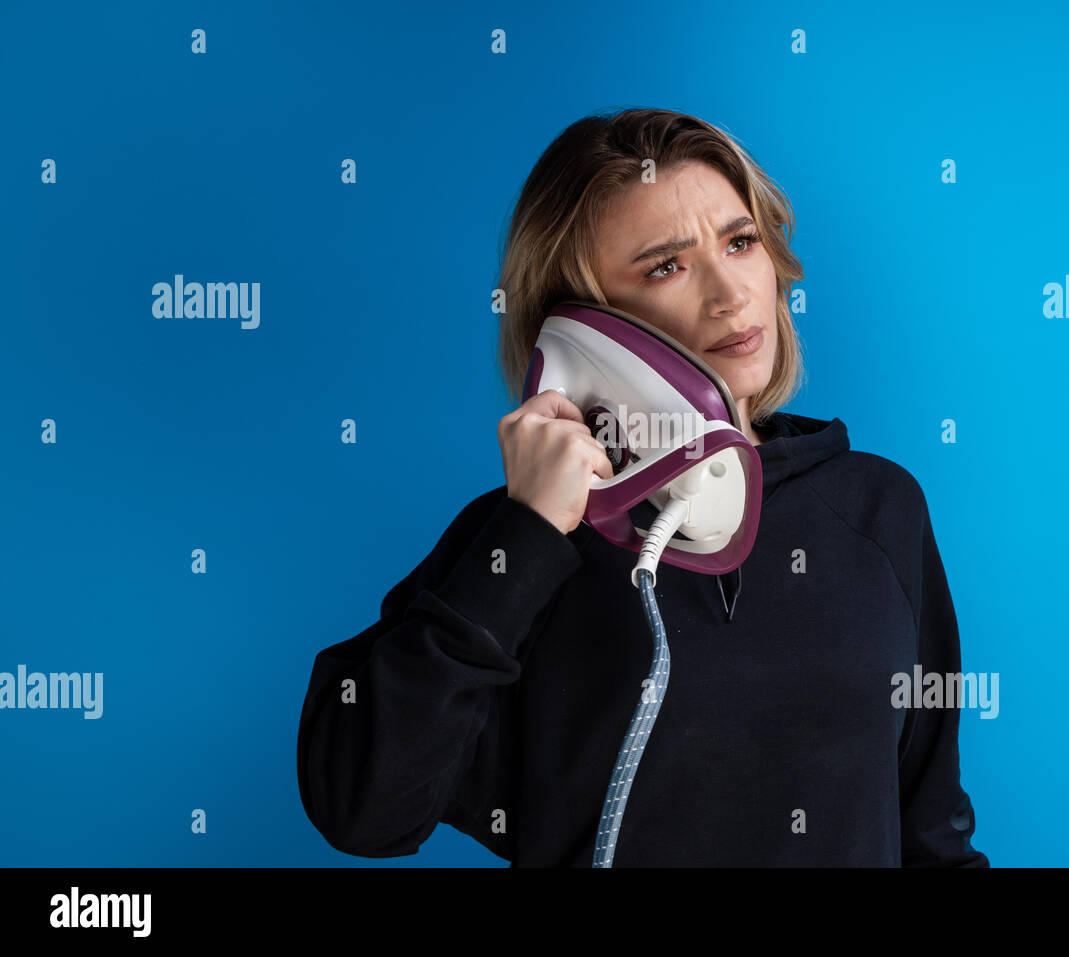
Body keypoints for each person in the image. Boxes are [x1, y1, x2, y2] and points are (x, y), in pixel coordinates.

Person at [295, 108, 990, 867]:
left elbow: (934, 835)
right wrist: (526, 534)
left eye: (741, 241)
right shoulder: (519, 545)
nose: (732, 294)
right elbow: (362, 808)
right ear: (584, 330)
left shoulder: (877, 508)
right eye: (667, 264)